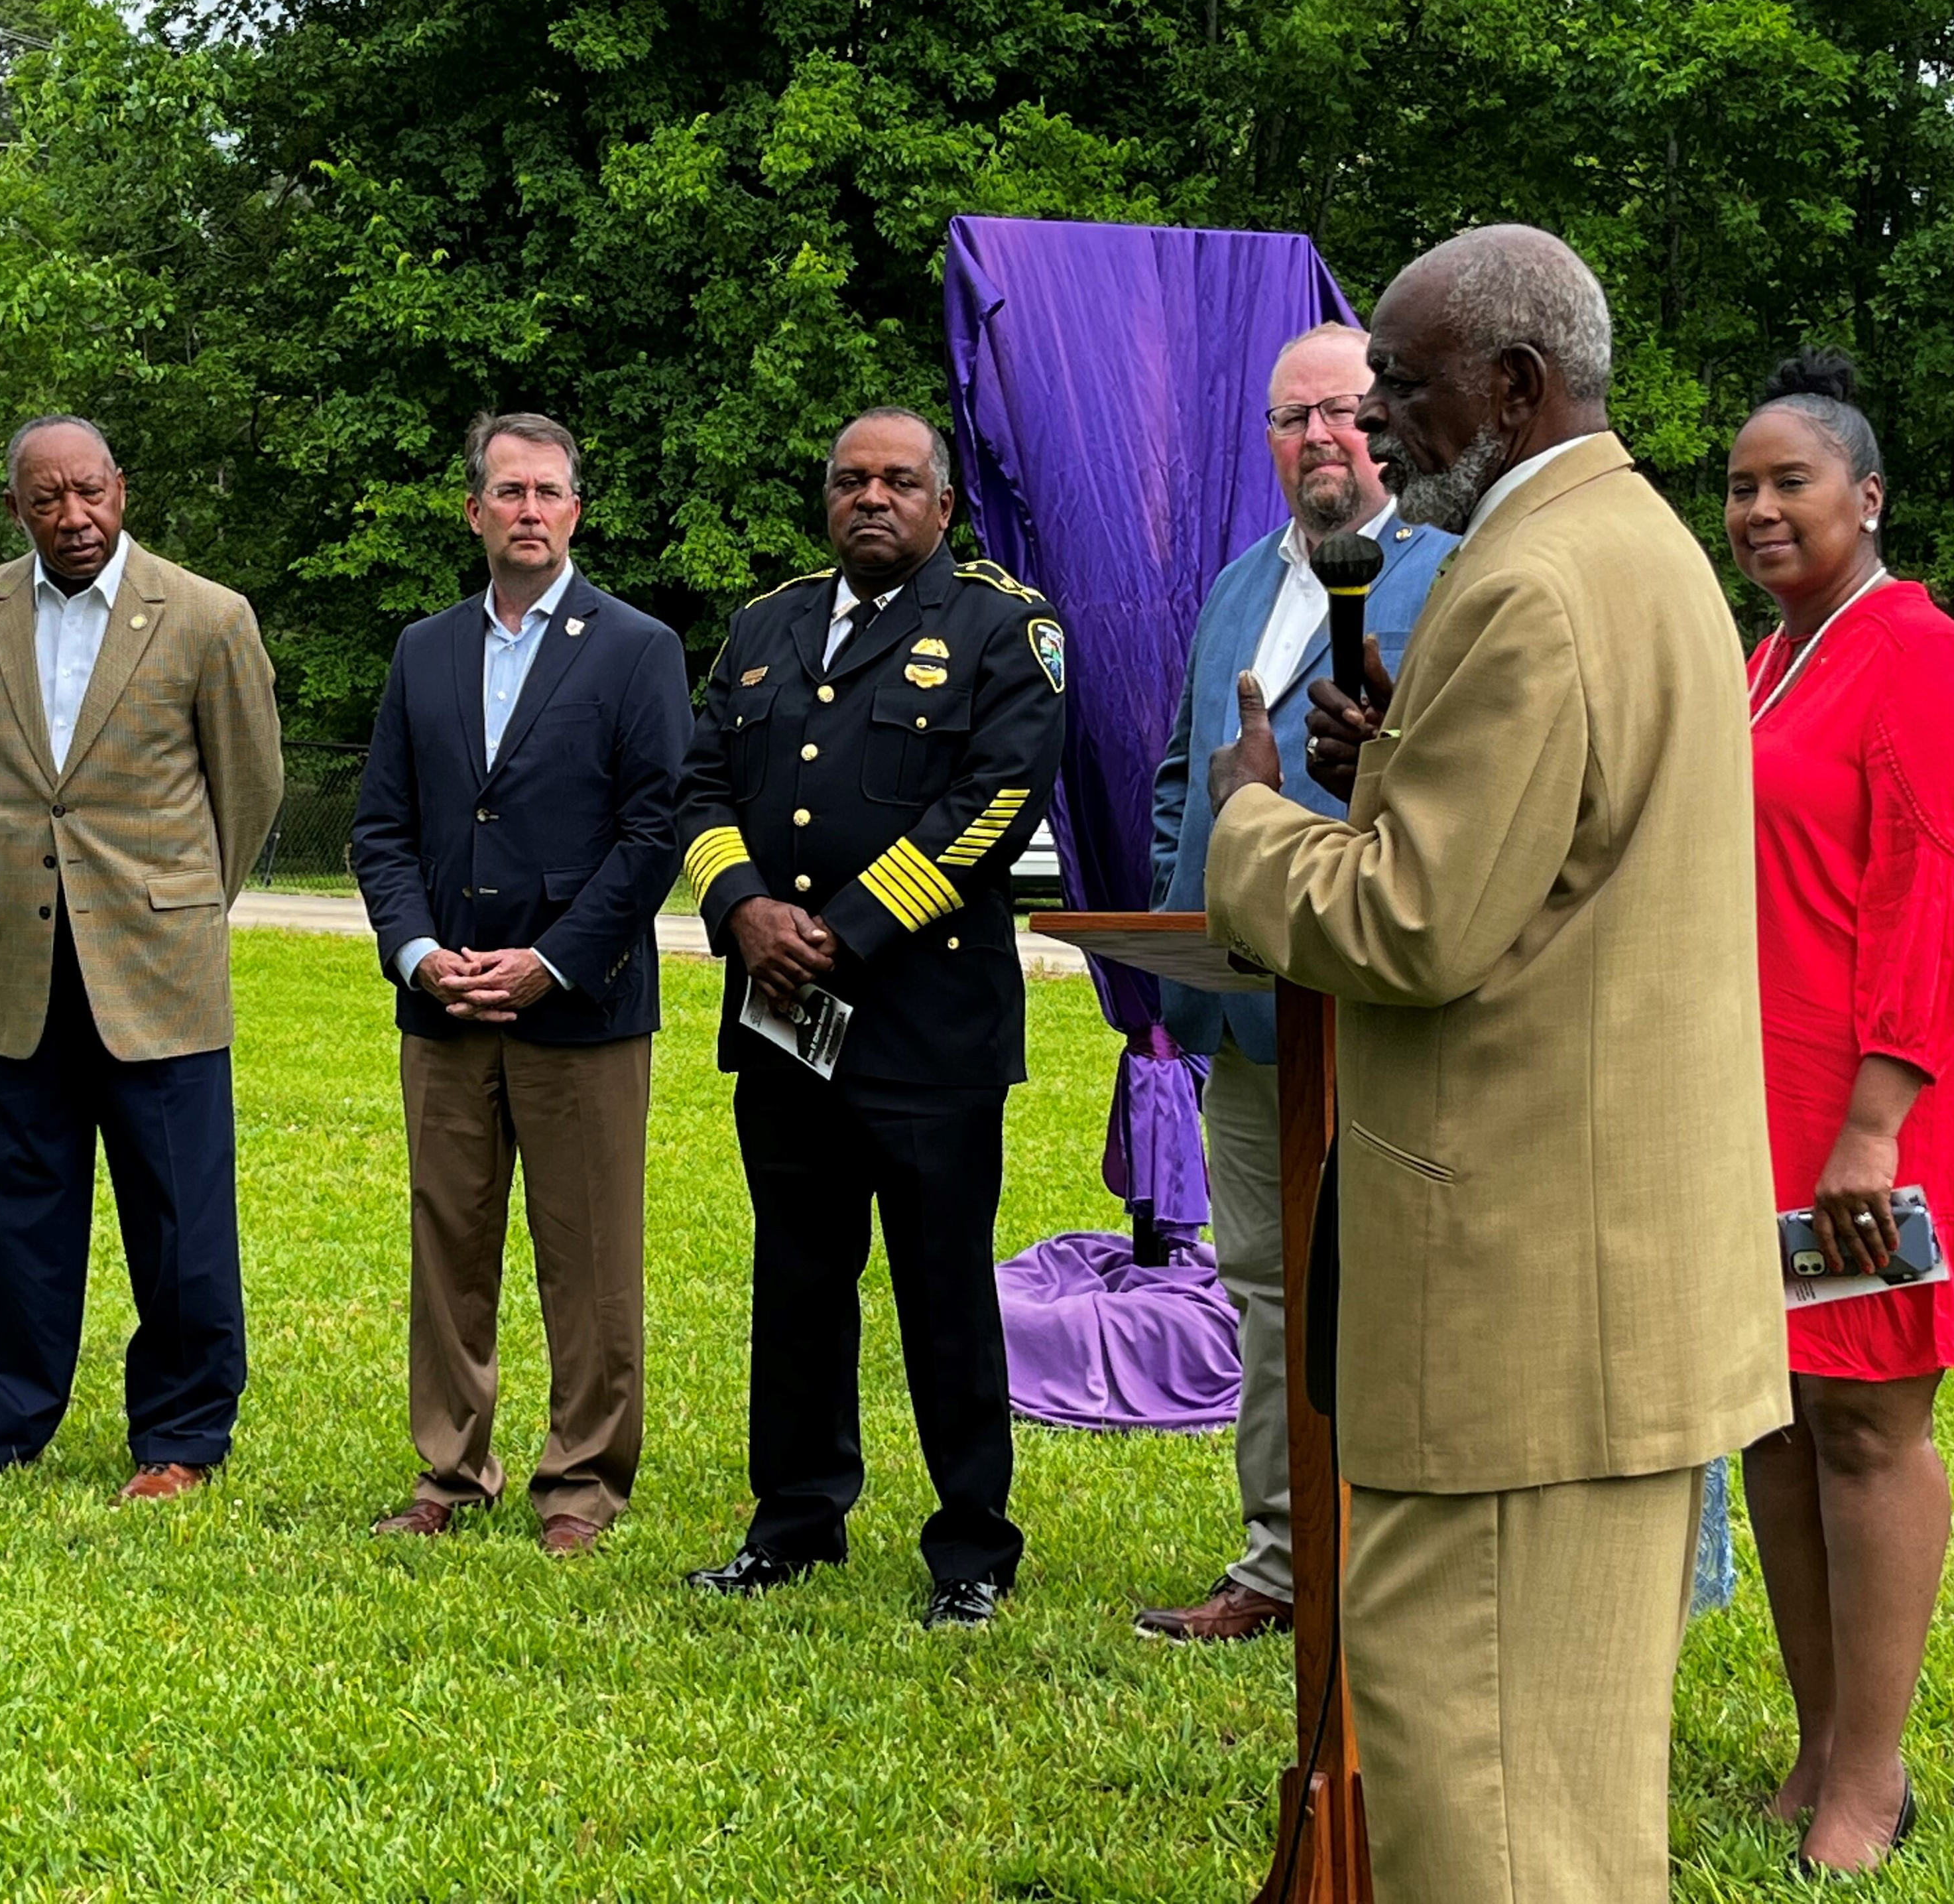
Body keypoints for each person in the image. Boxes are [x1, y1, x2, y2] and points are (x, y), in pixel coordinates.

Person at [1204, 227, 1790, 1903]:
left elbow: (1411, 925)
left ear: (1518, 387)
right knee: (1576, 1802)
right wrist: (1400, 753)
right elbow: (1563, 869)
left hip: (1517, 1313)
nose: (1373, 416)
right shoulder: (1636, 543)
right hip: (1601, 1286)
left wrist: (1254, 816)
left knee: (1492, 1809)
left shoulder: (1528, 581)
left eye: (1404, 378)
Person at [1727, 353, 1954, 1874]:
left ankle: (1872, 1775)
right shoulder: (1766, 660)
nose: (1761, 506)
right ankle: (1815, 1740)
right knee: (1776, 1427)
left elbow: (1943, 892)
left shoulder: (1917, 654)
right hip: (1768, 1096)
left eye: (1792, 480)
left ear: (1868, 496)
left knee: (1864, 1417)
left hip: (1889, 1100)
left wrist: (1875, 1122)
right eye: (1740, 484)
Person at [676, 408, 1066, 1630]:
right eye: (851, 479)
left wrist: (843, 925)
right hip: (782, 1015)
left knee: (941, 1290)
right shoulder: (765, 626)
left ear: (942, 507)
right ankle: (792, 1523)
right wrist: (740, 906)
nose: (872, 499)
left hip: (923, 1025)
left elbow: (995, 800)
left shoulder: (1006, 627)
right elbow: (696, 781)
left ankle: (970, 1551)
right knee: (796, 1277)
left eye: (900, 481)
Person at [1137, 323, 1455, 1645]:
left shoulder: (1453, 580)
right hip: (1239, 1007)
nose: (1321, 437)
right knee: (1265, 1280)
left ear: (1388, 426)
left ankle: (1393, 1564)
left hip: (1371, 1008)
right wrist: (1171, 935)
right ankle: (1279, 1559)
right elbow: (1183, 777)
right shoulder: (1229, 590)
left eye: (1345, 411)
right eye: (1293, 417)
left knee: (1384, 1287)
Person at [0, 416, 284, 1501]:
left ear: (122, 489)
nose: (73, 518)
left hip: (158, 967)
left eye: (91, 493)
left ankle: (179, 1436)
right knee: (16, 1210)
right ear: (14, 509)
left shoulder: (210, 618)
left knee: (179, 1216)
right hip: (12, 969)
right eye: (47, 500)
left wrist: (176, 906)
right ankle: (7, 1424)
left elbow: (249, 789)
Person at [349, 411, 690, 1556]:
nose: (528, 510)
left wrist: (550, 961)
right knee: (448, 1243)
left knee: (589, 1254)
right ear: (474, 511)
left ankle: (582, 1483)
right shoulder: (423, 650)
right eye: (508, 492)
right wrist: (417, 951)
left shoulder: (635, 648)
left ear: (576, 511)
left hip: (581, 1010)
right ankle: (450, 1468)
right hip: (442, 1007)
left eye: (548, 492)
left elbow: (654, 833)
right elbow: (381, 829)